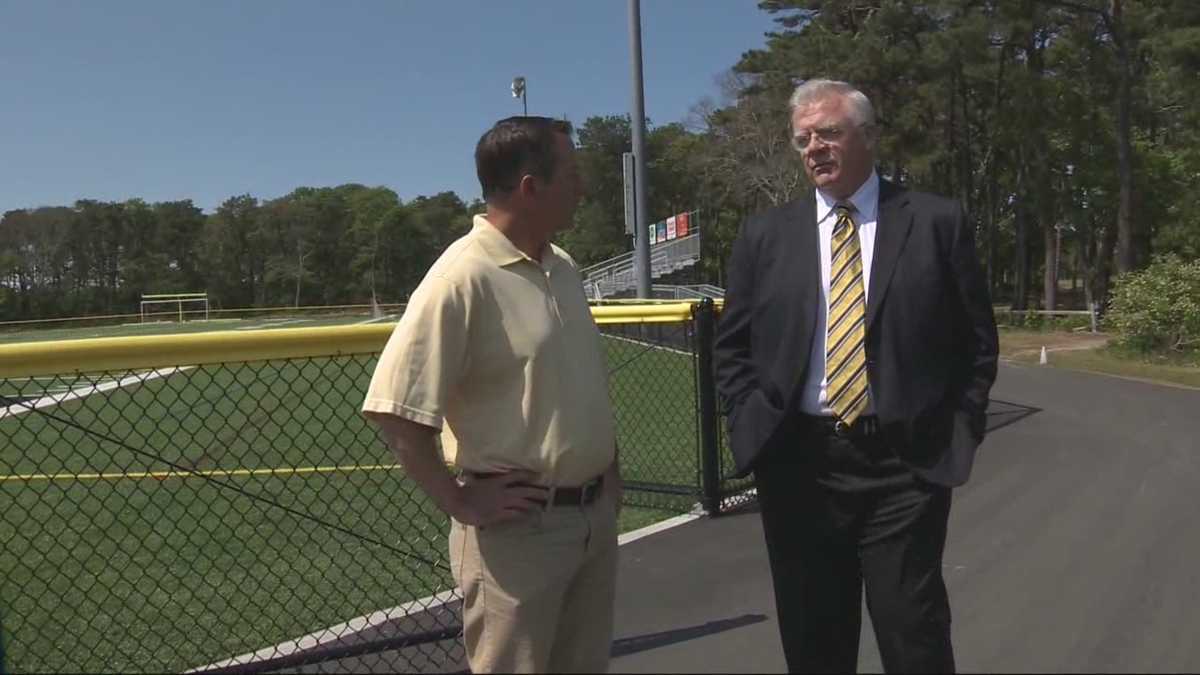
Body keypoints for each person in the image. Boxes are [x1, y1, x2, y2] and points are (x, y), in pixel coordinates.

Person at [714, 79, 999, 673]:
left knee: (912, 632)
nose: (814, 146)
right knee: (814, 639)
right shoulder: (764, 237)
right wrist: (750, 424)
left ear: (868, 136)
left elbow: (975, 343)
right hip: (798, 464)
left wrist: (958, 426)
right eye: (803, 139)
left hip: (904, 466)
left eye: (829, 132)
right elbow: (732, 347)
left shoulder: (934, 222)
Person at [362, 116, 621, 674]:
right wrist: (458, 501)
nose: (582, 187)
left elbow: (580, 385)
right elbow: (396, 411)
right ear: (532, 187)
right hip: (518, 537)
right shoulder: (460, 278)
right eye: (571, 174)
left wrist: (609, 480)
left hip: (592, 522)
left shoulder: (563, 266)